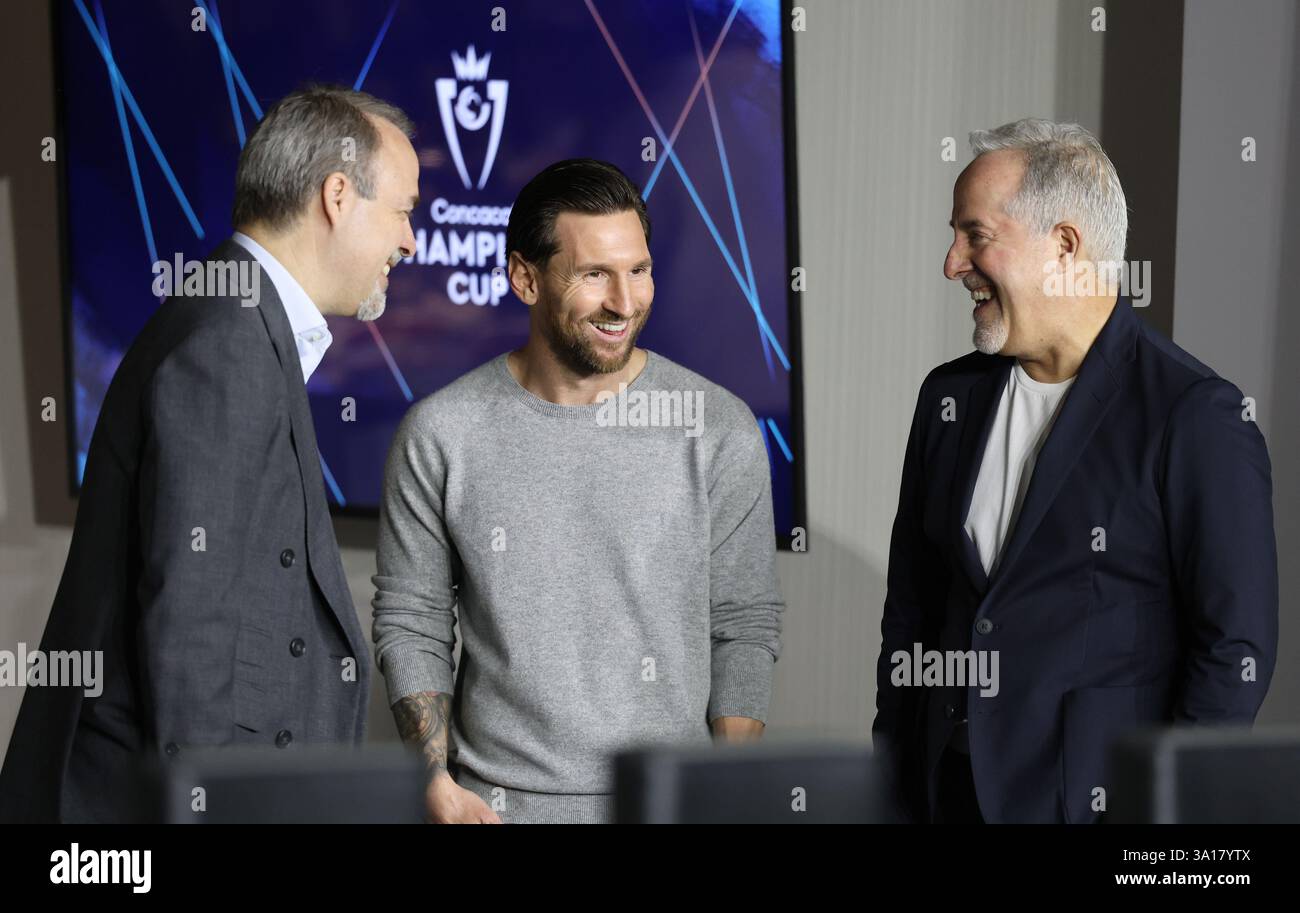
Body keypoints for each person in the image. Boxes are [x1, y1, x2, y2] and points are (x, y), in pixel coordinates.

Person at [0, 84, 419, 822]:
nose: (410, 241)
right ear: (338, 196)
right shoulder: (229, 344)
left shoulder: (239, 319)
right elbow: (190, 625)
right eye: (405, 211)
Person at [872, 118, 1277, 824]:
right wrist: (892, 789)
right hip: (942, 800)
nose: (951, 263)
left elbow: (1232, 652)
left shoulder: (1196, 415)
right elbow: (911, 612)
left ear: (1064, 245)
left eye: (975, 235)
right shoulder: (948, 398)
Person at [372, 158, 784, 824]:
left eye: (639, 270)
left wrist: (725, 789)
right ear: (524, 278)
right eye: (595, 274)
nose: (625, 301)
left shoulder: (719, 426)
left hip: (667, 804)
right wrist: (434, 781)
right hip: (493, 808)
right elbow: (411, 618)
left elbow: (744, 623)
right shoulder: (441, 431)